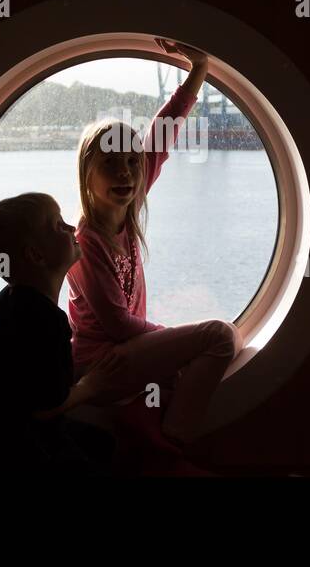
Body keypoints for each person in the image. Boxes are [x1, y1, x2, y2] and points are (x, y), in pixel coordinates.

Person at [66, 39, 242, 450]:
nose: (126, 172)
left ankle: (161, 442)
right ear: (86, 174)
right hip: (100, 366)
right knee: (217, 336)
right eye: (109, 164)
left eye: (131, 161)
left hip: (125, 354)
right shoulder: (87, 241)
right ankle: (177, 440)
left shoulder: (128, 207)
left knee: (221, 338)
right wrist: (172, 336)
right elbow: (118, 326)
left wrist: (200, 65)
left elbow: (166, 129)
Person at [0, 192, 123, 476]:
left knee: (101, 443)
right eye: (58, 225)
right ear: (36, 255)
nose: (71, 228)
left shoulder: (7, 301)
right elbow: (46, 406)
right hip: (14, 448)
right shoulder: (47, 321)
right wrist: (91, 385)